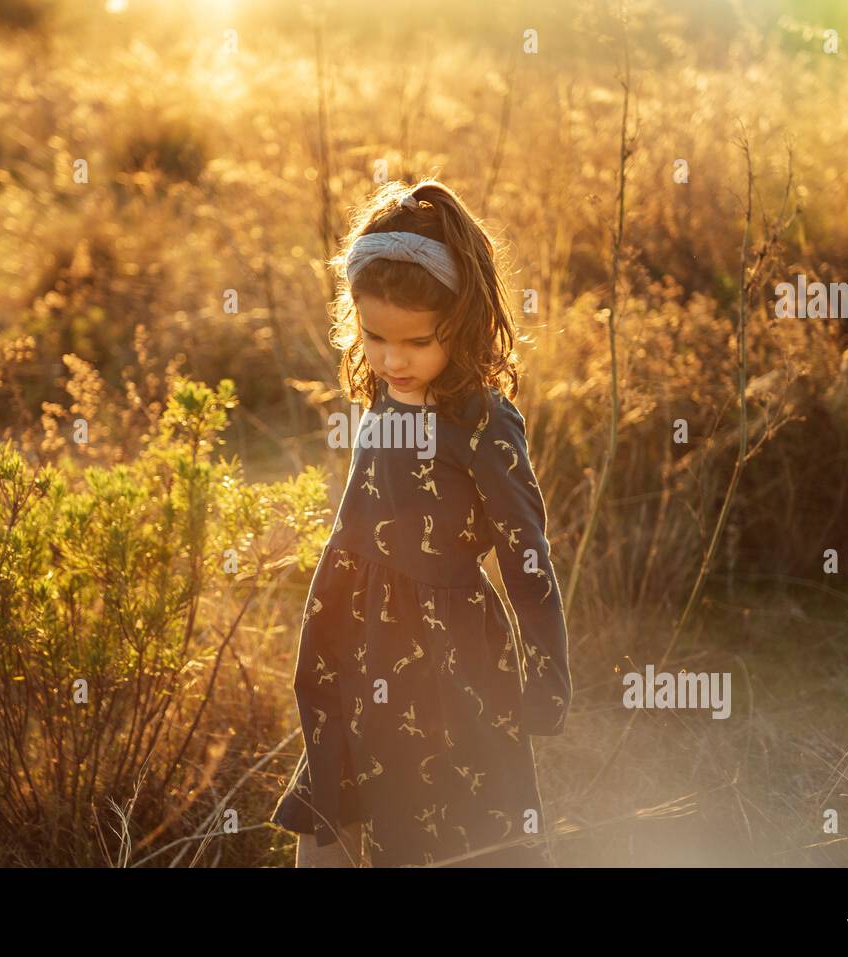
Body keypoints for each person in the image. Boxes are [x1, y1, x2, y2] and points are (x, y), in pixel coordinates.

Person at [270, 179, 572, 867]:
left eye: (415, 341)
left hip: (448, 653)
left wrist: (549, 668)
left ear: (460, 322)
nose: (392, 359)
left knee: (456, 827)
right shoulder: (383, 392)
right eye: (374, 337)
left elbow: (528, 553)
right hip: (353, 631)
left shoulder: (482, 422)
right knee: (328, 806)